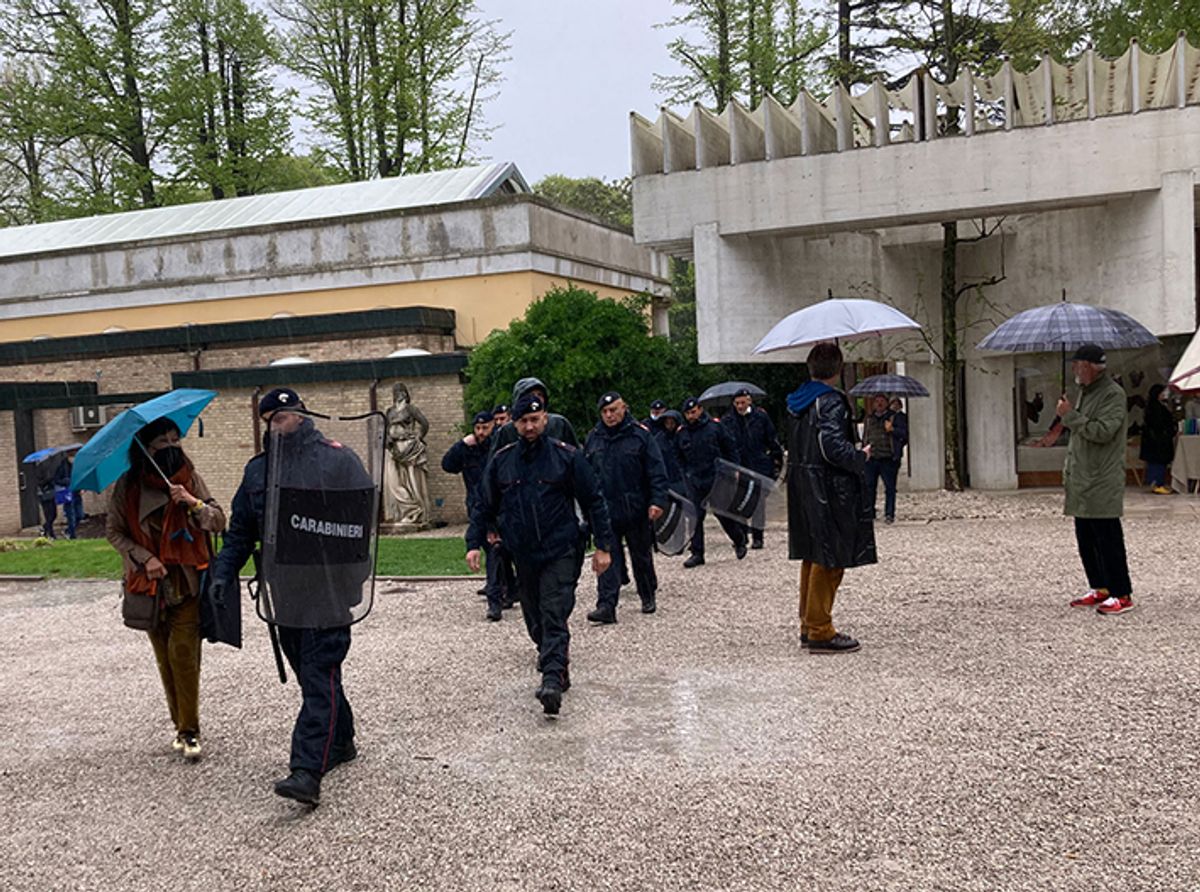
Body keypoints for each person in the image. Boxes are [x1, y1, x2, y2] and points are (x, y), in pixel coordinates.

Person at [211, 387, 366, 805]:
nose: (276, 426)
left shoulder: (337, 459)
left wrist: (353, 583)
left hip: (328, 590)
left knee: (318, 675)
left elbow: (361, 527)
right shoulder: (258, 471)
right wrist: (222, 574)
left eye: (282, 418)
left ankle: (306, 771)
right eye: (270, 421)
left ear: (300, 415)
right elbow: (241, 531)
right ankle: (342, 741)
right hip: (284, 593)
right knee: (314, 675)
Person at [466, 394, 615, 716]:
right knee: (534, 616)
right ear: (515, 424)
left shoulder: (567, 457)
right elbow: (484, 503)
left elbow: (594, 501)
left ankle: (551, 677)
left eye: (535, 420)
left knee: (553, 609)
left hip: (561, 548)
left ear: (545, 419)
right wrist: (473, 543)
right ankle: (554, 659)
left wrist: (604, 547)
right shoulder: (503, 461)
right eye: (523, 421)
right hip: (524, 552)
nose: (530, 426)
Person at [105, 418, 227, 759]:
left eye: (176, 439)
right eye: (163, 442)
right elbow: (114, 531)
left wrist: (192, 501)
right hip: (150, 585)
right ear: (146, 447)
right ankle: (179, 724)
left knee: (184, 655)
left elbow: (219, 520)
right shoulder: (128, 486)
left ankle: (190, 731)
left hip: (186, 581)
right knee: (164, 659)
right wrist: (145, 558)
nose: (172, 447)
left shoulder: (189, 478)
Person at [785, 342, 876, 653]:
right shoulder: (830, 401)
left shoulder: (798, 401)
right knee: (831, 557)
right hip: (828, 488)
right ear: (837, 371)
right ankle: (821, 630)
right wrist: (859, 454)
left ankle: (808, 625)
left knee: (813, 554)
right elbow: (831, 447)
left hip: (804, 486)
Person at [1059, 345, 1135, 615]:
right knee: (1086, 538)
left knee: (1108, 538)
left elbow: (1103, 431)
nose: (1074, 370)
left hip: (1101, 478)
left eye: (1077, 364)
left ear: (1089, 366)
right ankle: (1099, 587)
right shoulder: (1084, 393)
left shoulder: (1112, 394)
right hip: (1082, 477)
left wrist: (1070, 415)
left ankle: (1121, 593)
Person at [584, 392, 669, 623]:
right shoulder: (594, 438)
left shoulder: (641, 436)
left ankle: (647, 594)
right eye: (605, 412)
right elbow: (586, 475)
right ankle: (606, 606)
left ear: (624, 408)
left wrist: (657, 501)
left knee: (640, 555)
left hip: (635, 506)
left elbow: (656, 471)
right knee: (607, 558)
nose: (609, 415)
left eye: (613, 410)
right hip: (605, 509)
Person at [443, 410, 511, 620]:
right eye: (478, 428)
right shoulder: (468, 450)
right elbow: (447, 465)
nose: (481, 432)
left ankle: (502, 596)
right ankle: (502, 595)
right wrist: (462, 444)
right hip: (477, 508)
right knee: (494, 552)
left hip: (500, 509)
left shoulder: (499, 447)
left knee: (498, 553)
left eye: (485, 427)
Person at [675, 396, 746, 567]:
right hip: (695, 479)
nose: (691, 416)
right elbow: (678, 456)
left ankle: (739, 539)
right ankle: (697, 553)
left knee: (722, 513)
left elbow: (730, 448)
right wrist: (685, 474)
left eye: (693, 412)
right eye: (687, 413)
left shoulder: (715, 427)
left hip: (715, 477)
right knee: (695, 517)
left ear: (700, 409)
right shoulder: (682, 432)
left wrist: (734, 469)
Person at [721, 388, 782, 548]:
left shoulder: (760, 417)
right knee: (738, 500)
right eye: (737, 403)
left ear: (749, 401)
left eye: (742, 402)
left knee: (758, 501)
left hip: (758, 463)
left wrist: (776, 459)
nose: (740, 406)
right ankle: (742, 535)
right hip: (739, 465)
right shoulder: (728, 420)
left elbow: (771, 438)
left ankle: (758, 537)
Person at [382, 382, 430, 525]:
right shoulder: (389, 411)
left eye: (402, 391)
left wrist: (418, 437)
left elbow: (424, 423)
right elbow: (385, 429)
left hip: (409, 448)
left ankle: (415, 511)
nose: (399, 394)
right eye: (396, 391)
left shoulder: (411, 409)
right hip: (393, 448)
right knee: (393, 482)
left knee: (412, 481)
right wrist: (388, 439)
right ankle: (404, 510)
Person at [489, 377, 579, 452]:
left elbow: (576, 457)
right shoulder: (506, 432)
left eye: (539, 395)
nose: (536, 399)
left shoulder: (559, 424)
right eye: (530, 395)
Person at [862, 394, 901, 523]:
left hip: (888, 458)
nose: (879, 404)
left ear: (886, 403)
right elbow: (865, 436)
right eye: (876, 401)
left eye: (882, 401)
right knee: (869, 487)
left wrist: (893, 430)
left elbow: (904, 435)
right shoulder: (869, 419)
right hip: (871, 458)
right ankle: (870, 513)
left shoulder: (894, 417)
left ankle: (889, 513)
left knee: (890, 487)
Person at [1140, 384, 1175, 495]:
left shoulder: (1159, 406)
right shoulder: (1155, 408)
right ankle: (1157, 484)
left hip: (1158, 441)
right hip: (1157, 442)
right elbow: (1158, 424)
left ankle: (1159, 483)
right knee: (1157, 463)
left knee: (1160, 463)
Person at [650, 409, 685, 488]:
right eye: (667, 423)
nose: (670, 426)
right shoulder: (659, 439)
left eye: (672, 423)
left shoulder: (683, 435)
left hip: (684, 478)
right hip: (668, 479)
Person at [888, 398, 909, 466]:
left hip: (896, 448)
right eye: (893, 404)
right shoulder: (888, 416)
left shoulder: (902, 417)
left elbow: (904, 433)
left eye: (896, 404)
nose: (894, 406)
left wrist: (893, 429)